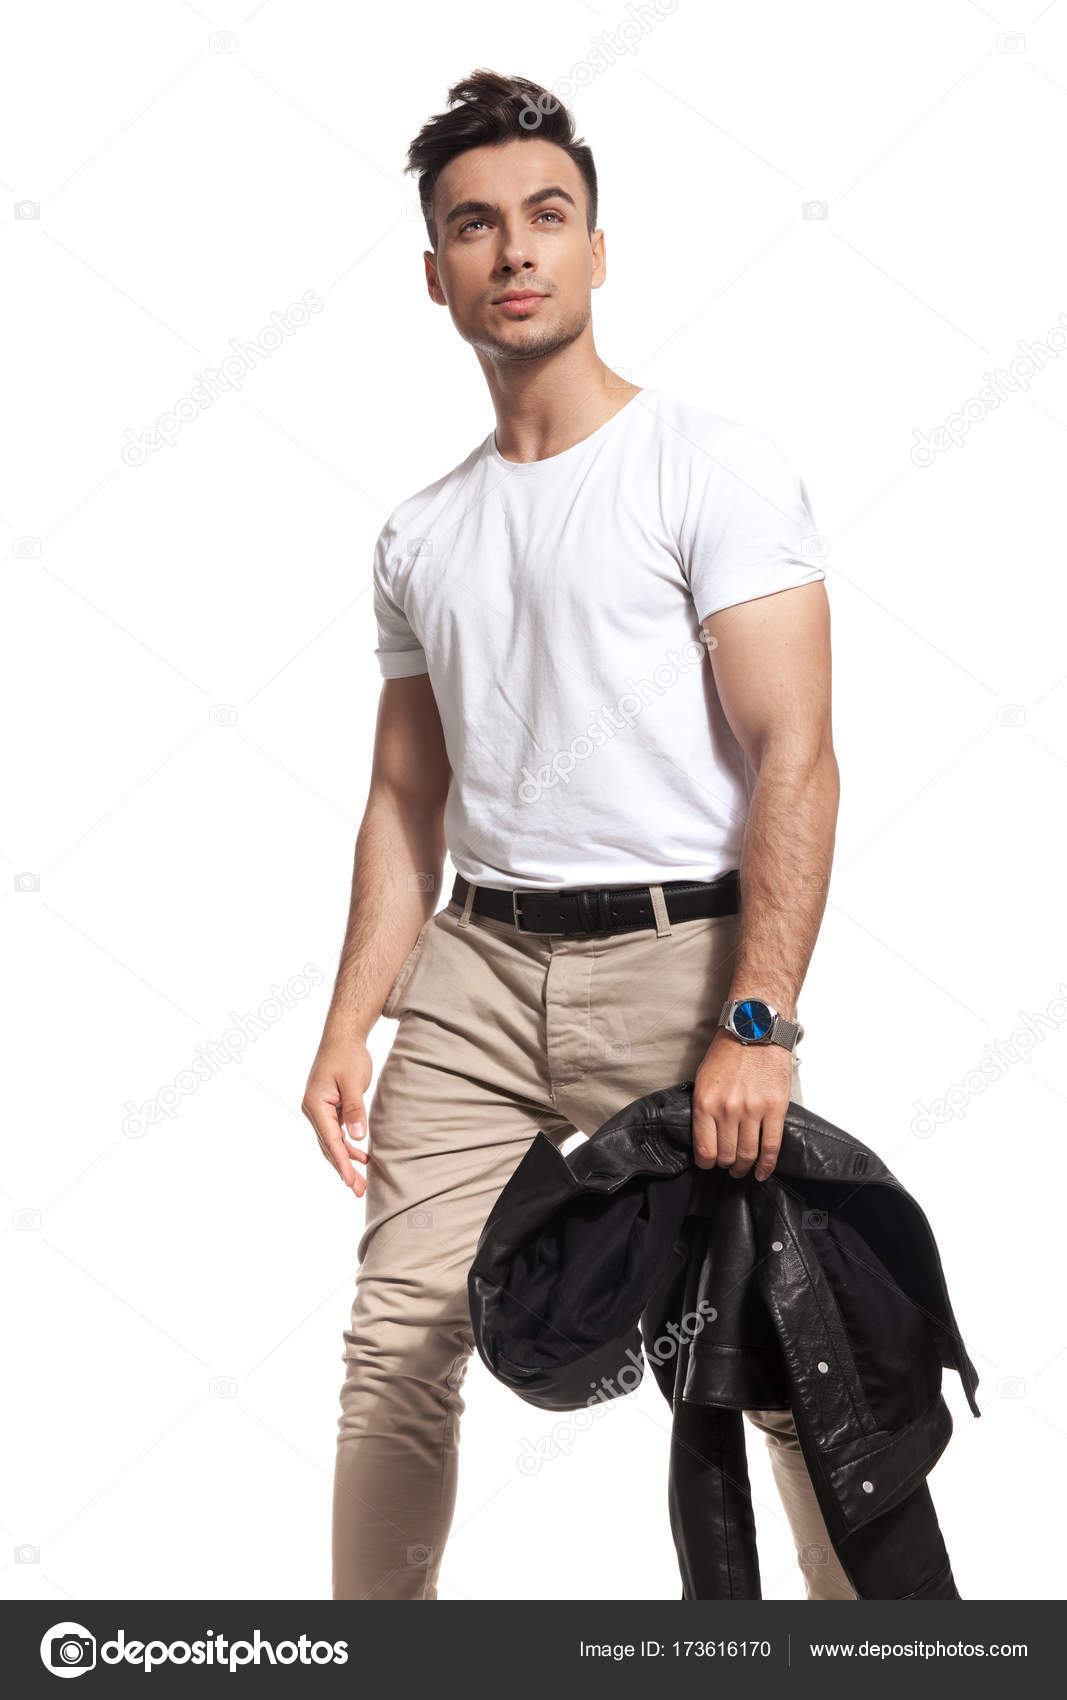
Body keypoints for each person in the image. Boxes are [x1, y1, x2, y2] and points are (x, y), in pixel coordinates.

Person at [302, 68, 844, 1602]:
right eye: (476, 226)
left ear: (599, 250)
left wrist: (759, 1020)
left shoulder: (705, 466)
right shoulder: (421, 529)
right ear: (437, 274)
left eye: (548, 216)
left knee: (784, 1345)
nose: (514, 249)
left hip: (681, 966)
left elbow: (795, 759)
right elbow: (407, 798)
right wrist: (354, 1019)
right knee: (396, 1344)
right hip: (473, 973)